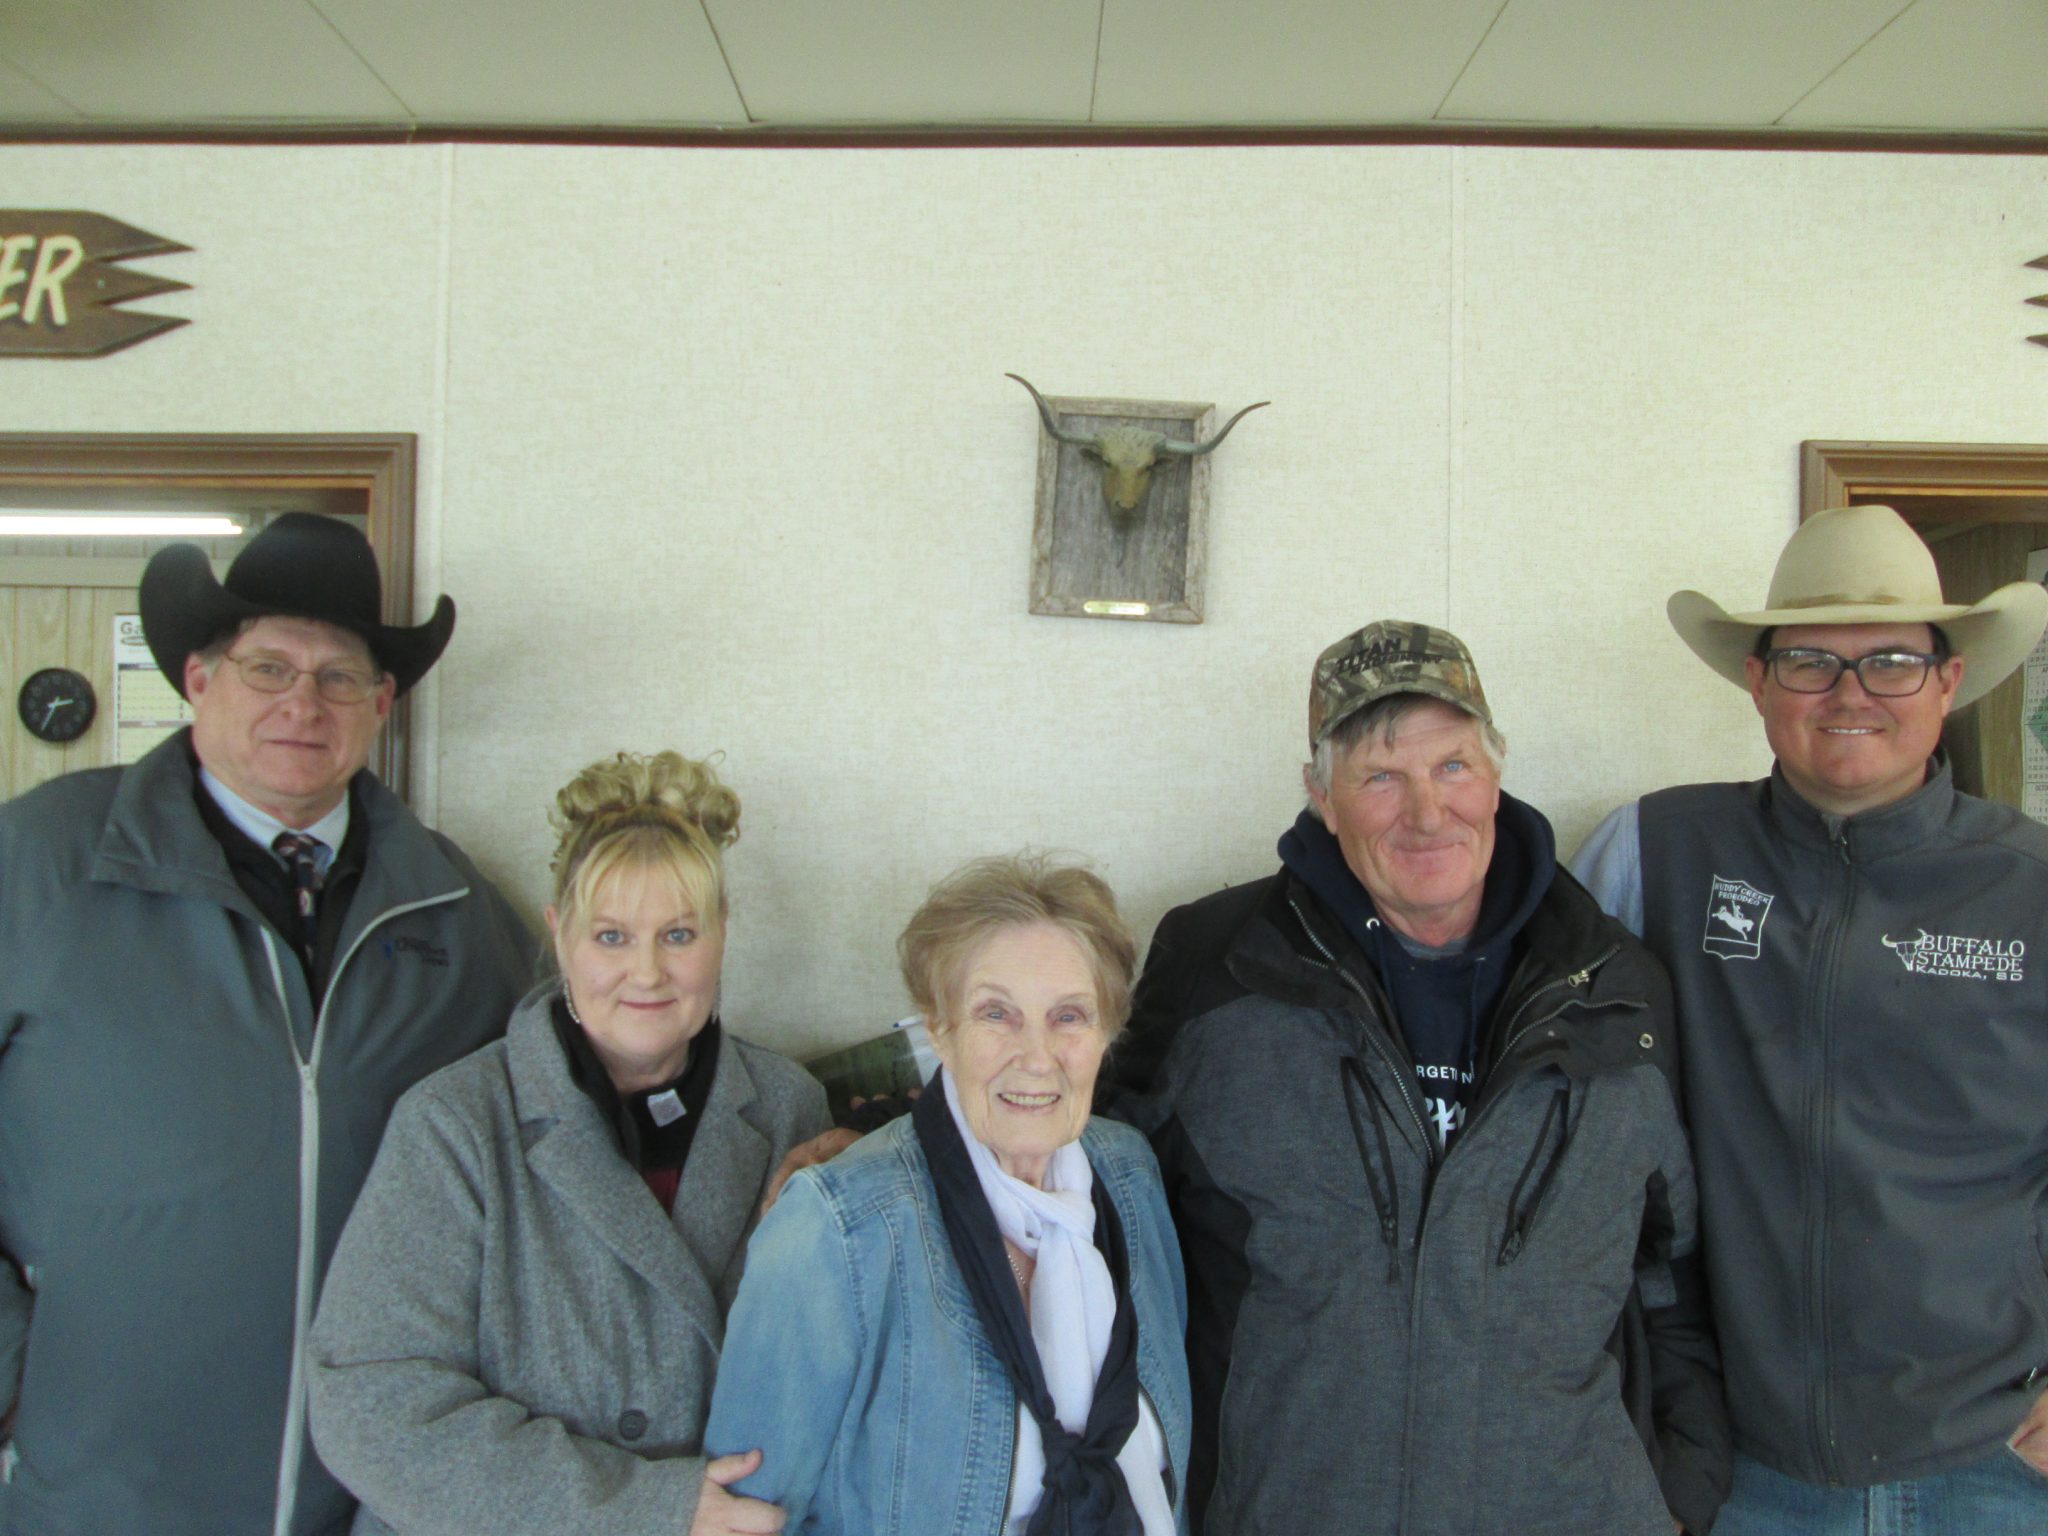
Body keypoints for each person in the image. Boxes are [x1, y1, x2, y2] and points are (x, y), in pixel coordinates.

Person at [1113, 621, 1729, 1534]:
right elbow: (1086, 1200)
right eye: (1380, 777)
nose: (1427, 811)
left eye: (1453, 767)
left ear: (1496, 775)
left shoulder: (1617, 988)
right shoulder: (1216, 967)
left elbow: (1671, 1269)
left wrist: (1683, 1488)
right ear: (1322, 796)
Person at [0, 512, 532, 1536]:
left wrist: (788, 1146)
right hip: (92, 1492)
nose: (303, 702)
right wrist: (21, 1368)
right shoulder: (38, 863)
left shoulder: (459, 912)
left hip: (368, 1498)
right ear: (198, 681)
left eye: (338, 677)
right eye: (268, 667)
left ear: (381, 703)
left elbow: (561, 1131)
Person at [1571, 503, 2048, 1531]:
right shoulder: (1651, 853)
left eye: (1888, 661)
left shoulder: (2031, 888)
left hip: (1991, 1469)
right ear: (1755, 680)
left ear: (1947, 680)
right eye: (1806, 662)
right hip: (1731, 1462)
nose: (1848, 695)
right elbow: (1545, 1113)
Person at [308, 750, 830, 1535]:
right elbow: (370, 1403)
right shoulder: (454, 1122)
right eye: (612, 936)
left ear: (723, 934)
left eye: (679, 933)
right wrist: (643, 1507)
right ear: (560, 935)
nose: (646, 972)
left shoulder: (791, 1107)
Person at [706, 854, 1190, 1535]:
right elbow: (746, 1518)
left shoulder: (1131, 1179)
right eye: (997, 1013)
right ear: (940, 1029)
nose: (1036, 1055)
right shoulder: (834, 1228)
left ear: (1107, 1033)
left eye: (1070, 1016)